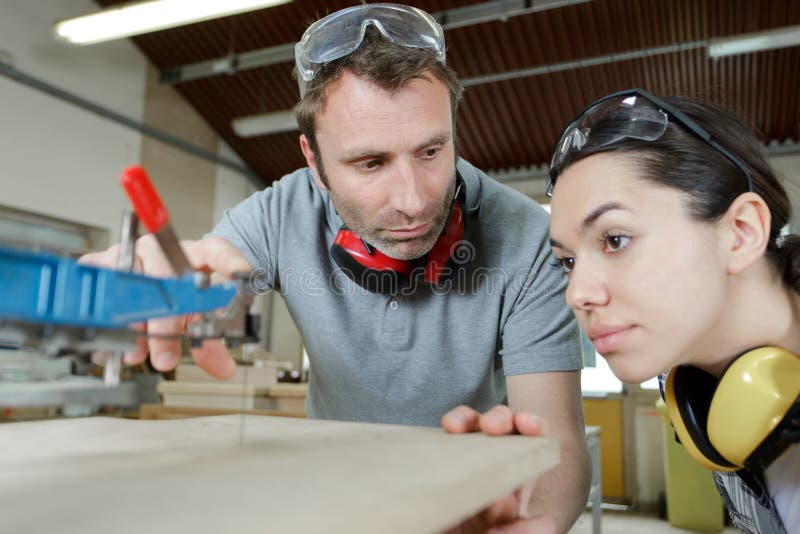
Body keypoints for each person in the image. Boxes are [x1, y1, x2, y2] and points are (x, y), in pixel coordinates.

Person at [81, 4, 590, 532]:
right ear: (314, 161)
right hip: (333, 494)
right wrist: (186, 286)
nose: (413, 200)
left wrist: (529, 524)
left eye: (431, 151)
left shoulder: (530, 238)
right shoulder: (281, 213)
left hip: (472, 497)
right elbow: (216, 271)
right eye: (370, 163)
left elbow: (559, 444)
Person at [544, 88, 800, 533]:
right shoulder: (705, 392)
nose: (577, 294)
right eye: (568, 261)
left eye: (615, 239)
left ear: (740, 233)